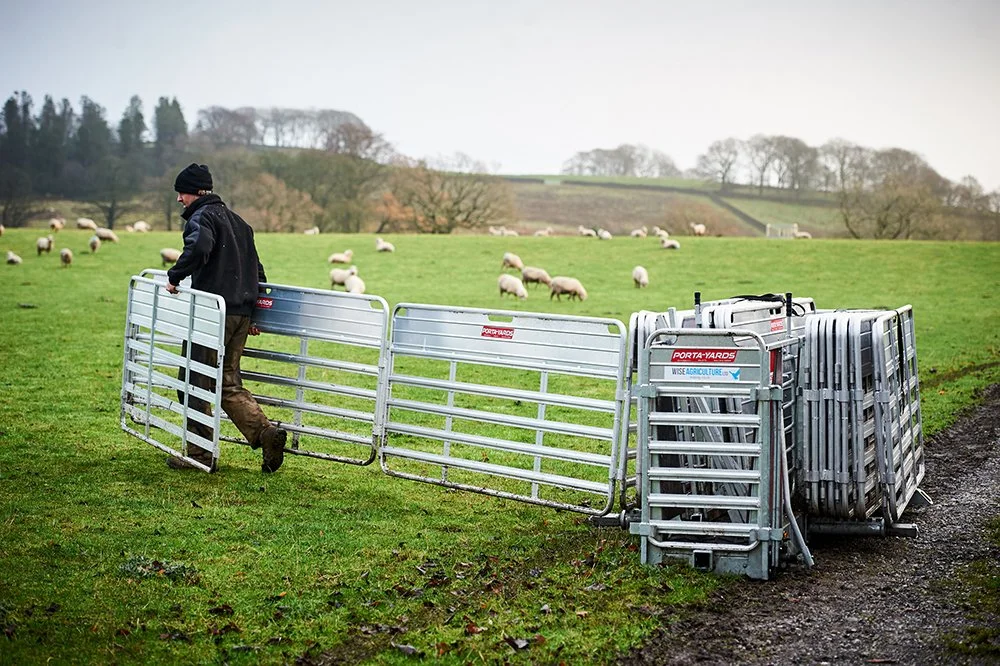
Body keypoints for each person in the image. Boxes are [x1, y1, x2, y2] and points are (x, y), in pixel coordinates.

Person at [165, 163, 287, 473]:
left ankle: (200, 454)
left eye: (181, 192)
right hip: (240, 316)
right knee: (227, 382)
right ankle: (266, 433)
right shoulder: (240, 223)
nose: (179, 199)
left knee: (193, 381)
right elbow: (258, 273)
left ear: (194, 192)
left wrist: (175, 276)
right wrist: (253, 313)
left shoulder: (201, 217)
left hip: (212, 314)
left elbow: (200, 247)